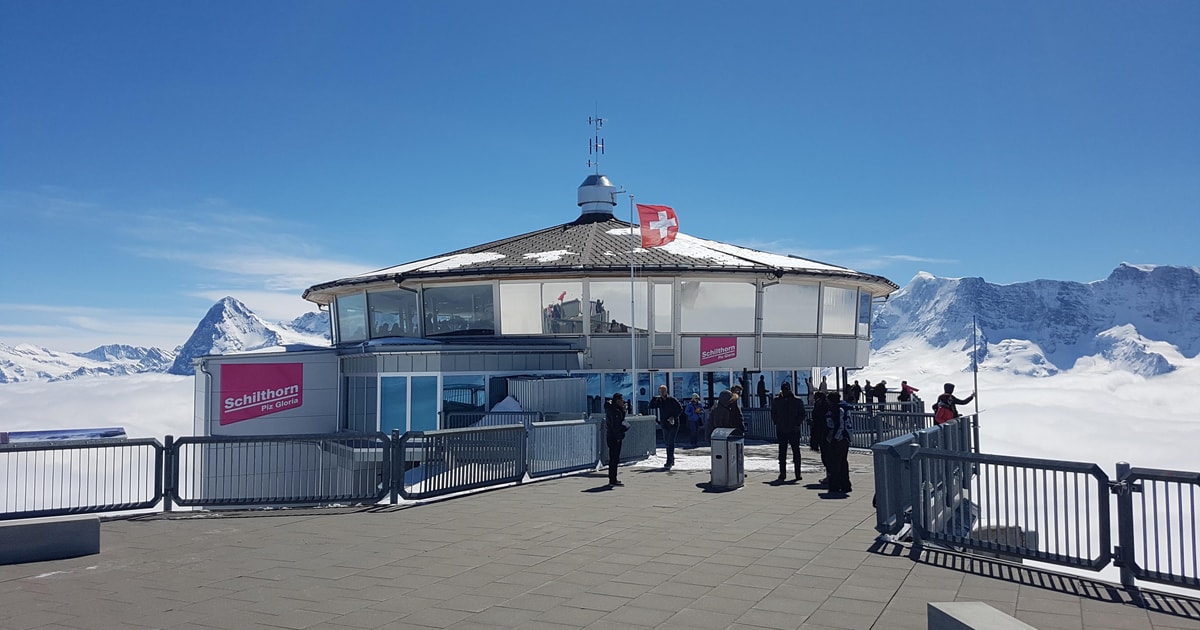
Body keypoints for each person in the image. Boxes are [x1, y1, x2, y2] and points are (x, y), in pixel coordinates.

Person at [770, 382, 805, 482]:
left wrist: (796, 423)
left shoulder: (795, 401)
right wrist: (777, 422)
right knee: (784, 452)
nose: (785, 391)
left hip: (790, 429)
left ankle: (795, 473)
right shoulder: (779, 401)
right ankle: (784, 473)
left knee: (793, 452)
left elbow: (802, 414)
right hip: (785, 429)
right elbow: (773, 413)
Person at [824, 391, 853, 494]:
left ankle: (835, 485)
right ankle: (845, 484)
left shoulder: (837, 410)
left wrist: (835, 438)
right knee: (843, 462)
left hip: (838, 440)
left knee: (834, 463)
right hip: (845, 439)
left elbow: (839, 425)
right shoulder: (845, 409)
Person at [649, 384, 684, 470]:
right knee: (667, 443)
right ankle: (671, 459)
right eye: (660, 392)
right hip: (664, 424)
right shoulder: (659, 401)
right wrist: (654, 398)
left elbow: (680, 409)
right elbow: (650, 406)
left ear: (666, 391)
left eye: (663, 391)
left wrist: (674, 416)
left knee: (670, 442)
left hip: (673, 424)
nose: (661, 393)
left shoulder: (672, 400)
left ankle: (669, 461)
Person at [604, 393, 628, 486]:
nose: (623, 402)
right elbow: (617, 425)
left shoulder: (611, 409)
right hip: (614, 437)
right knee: (614, 458)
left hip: (610, 435)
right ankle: (613, 479)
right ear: (617, 400)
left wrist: (623, 410)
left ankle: (613, 478)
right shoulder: (615, 411)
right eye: (622, 400)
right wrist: (618, 437)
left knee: (613, 458)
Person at [810, 391, 829, 486]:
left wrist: (814, 422)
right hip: (821, 432)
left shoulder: (824, 406)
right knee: (825, 455)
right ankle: (829, 475)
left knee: (827, 455)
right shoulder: (819, 405)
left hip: (824, 432)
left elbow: (820, 419)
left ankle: (830, 476)